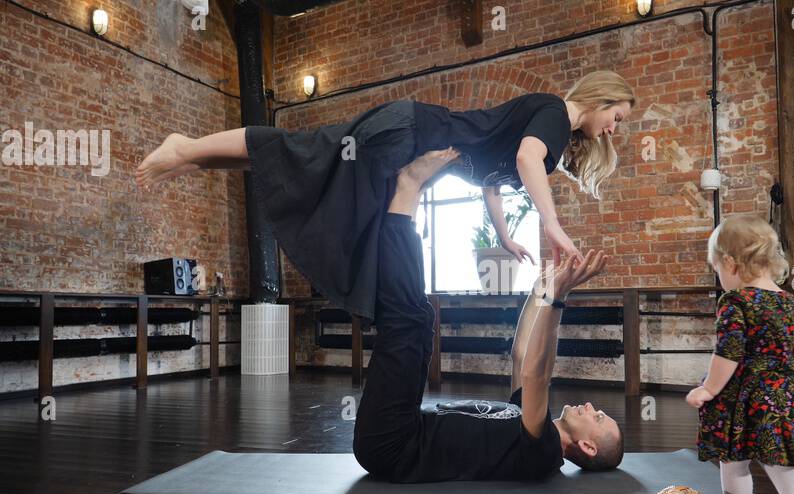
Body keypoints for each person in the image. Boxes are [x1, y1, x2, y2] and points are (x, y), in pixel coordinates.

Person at [134, 71, 635, 325]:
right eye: (618, 116)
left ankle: (193, 156)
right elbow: (527, 160)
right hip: (408, 134)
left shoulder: (550, 130)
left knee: (308, 163)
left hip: (405, 137)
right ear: (602, 98)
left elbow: (491, 181)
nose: (615, 128)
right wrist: (552, 226)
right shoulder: (554, 112)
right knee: (307, 156)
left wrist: (506, 237)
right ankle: (188, 148)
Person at [351, 147, 623, 482]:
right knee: (421, 322)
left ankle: (407, 189)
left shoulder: (544, 451)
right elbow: (522, 356)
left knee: (409, 322)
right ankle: (408, 197)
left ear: (588, 447)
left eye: (597, 419)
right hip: (403, 428)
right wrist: (540, 291)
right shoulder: (529, 420)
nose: (591, 408)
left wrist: (557, 298)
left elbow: (537, 374)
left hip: (394, 444)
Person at [685, 216, 794, 494]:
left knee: (733, 460)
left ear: (730, 264)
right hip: (783, 389)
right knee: (779, 454)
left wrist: (709, 388)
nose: (719, 277)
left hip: (744, 394)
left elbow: (728, 352)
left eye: (716, 269)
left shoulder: (736, 302)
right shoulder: (791, 303)